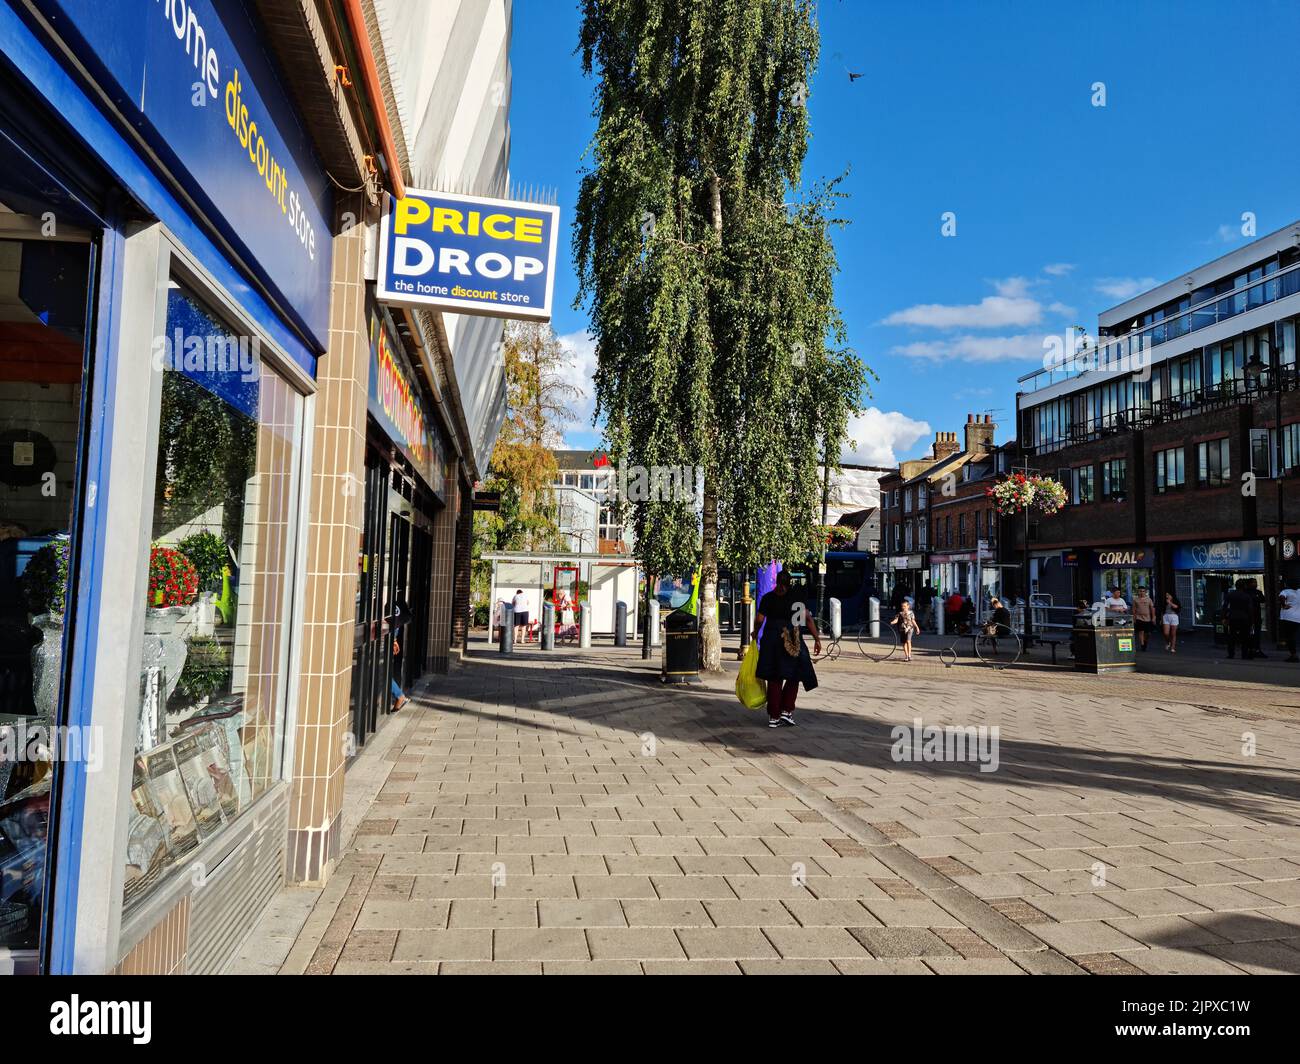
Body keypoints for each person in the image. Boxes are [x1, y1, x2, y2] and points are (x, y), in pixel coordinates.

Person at [752, 569, 820, 729]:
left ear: (777, 582)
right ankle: (786, 711)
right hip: (792, 639)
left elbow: (760, 619)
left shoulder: (768, 598)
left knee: (774, 677)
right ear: (789, 583)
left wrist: (755, 633)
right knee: (794, 675)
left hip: (771, 640)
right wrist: (817, 638)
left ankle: (774, 717)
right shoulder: (796, 598)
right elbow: (808, 619)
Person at [389, 594, 412, 711]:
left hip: (384, 634)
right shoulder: (392, 599)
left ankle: (399, 695)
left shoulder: (387, 598)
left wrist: (393, 639)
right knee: (379, 671)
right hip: (388, 632)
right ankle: (397, 695)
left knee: (379, 672)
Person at [1222, 580, 1254, 659]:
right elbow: (1250, 609)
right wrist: (1252, 620)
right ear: (1244, 586)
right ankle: (1244, 654)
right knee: (1245, 637)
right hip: (1244, 618)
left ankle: (1231, 654)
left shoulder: (1230, 595)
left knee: (1232, 637)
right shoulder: (1247, 596)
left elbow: (1225, 607)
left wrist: (1224, 617)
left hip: (1233, 617)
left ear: (1236, 586)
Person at [1280, 578, 1300, 663]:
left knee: (1289, 636)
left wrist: (1284, 605)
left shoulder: (1286, 591)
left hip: (1287, 617)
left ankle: (1293, 655)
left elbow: (1281, 597)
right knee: (1293, 635)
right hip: (1297, 618)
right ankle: (1293, 654)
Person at [1131, 586, 1157, 651]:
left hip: (1147, 618)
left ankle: (1145, 642)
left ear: (1145, 592)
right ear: (1138, 592)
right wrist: (1134, 618)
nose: (1141, 592)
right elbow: (1134, 609)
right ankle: (1142, 644)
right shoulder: (1135, 599)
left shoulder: (1149, 599)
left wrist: (1153, 617)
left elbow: (1152, 609)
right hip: (1139, 617)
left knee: (1148, 633)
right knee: (1141, 631)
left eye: (1143, 591)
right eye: (1140, 591)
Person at [1247, 578, 1266, 659]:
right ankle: (1251, 649)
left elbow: (1263, 600)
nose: (1256, 584)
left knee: (1257, 633)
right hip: (1248, 616)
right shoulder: (1246, 592)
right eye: (1254, 582)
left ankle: (1257, 649)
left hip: (1256, 616)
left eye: (1256, 582)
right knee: (1249, 633)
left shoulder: (1258, 592)